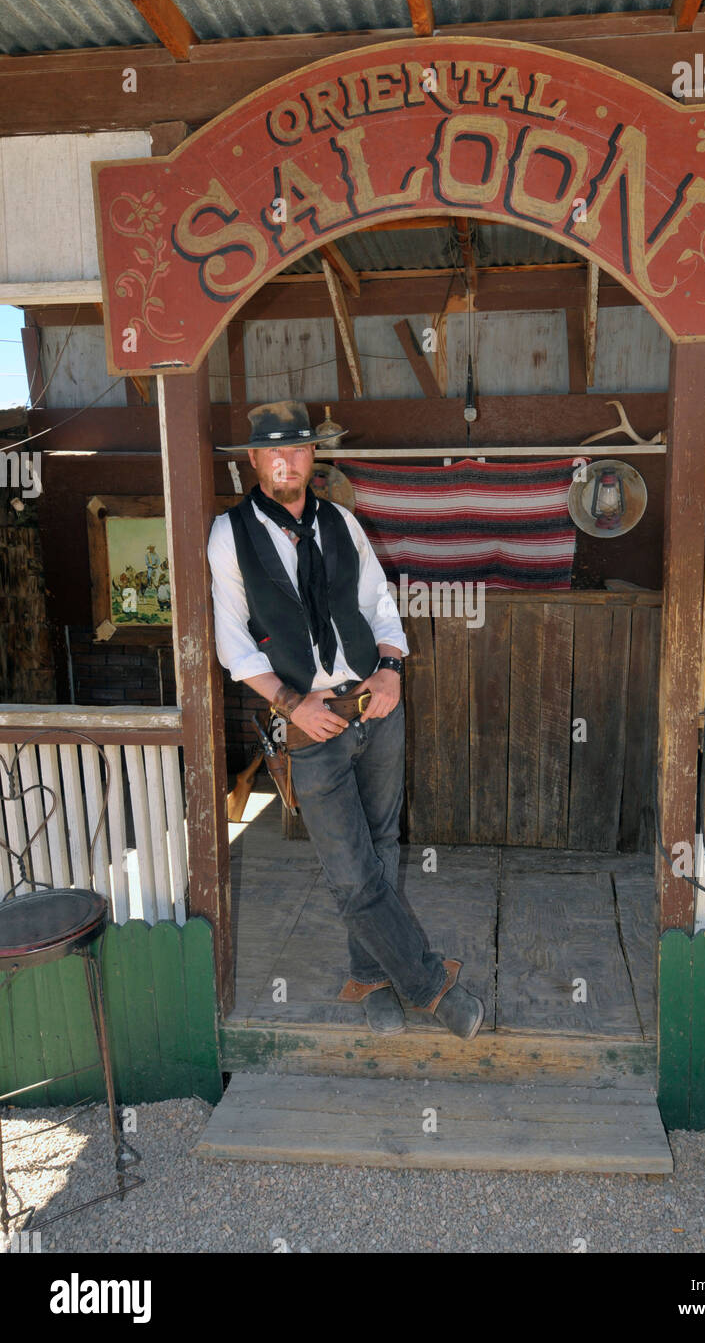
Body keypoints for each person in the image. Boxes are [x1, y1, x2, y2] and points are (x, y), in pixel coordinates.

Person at [207, 400, 484, 1040]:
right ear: (253, 460)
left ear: (312, 457)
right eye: (272, 450)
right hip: (310, 718)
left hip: (375, 704)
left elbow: (381, 604)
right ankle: (430, 986)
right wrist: (292, 703)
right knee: (350, 869)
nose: (286, 460)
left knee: (383, 843)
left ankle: (371, 976)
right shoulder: (232, 534)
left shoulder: (341, 522)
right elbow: (233, 646)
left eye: (298, 448)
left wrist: (390, 670)